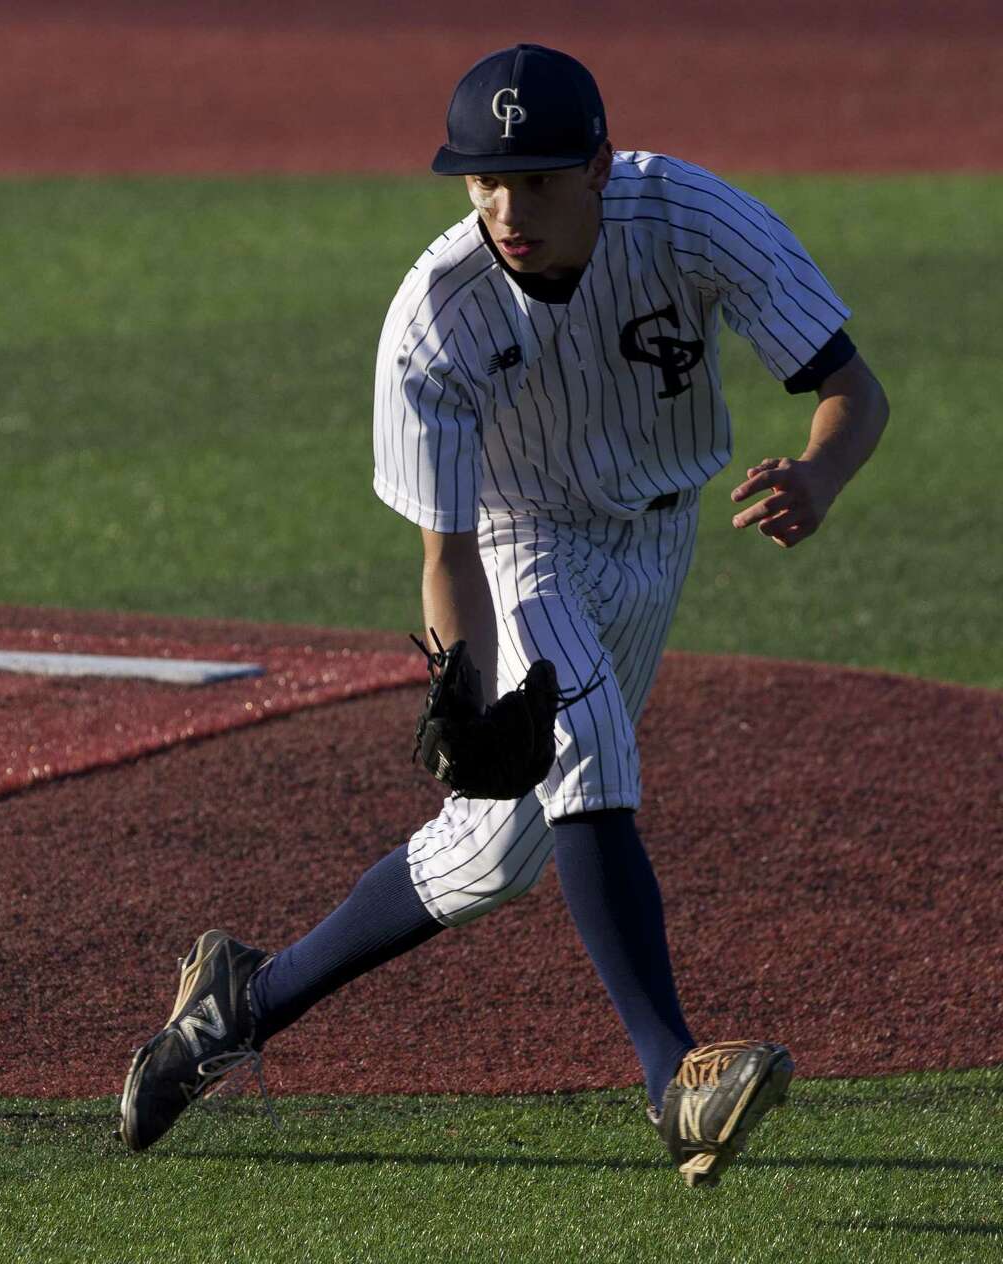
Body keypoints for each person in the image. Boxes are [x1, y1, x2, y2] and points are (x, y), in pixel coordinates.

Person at [119, 44, 888, 1187]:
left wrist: (818, 480)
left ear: (596, 164)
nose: (505, 206)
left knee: (495, 856)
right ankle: (672, 1079)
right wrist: (468, 687)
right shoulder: (435, 316)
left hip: (658, 533)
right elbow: (447, 547)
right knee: (580, 741)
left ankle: (242, 998)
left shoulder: (689, 218)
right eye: (483, 180)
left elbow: (853, 390)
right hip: (518, 533)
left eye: (533, 178)